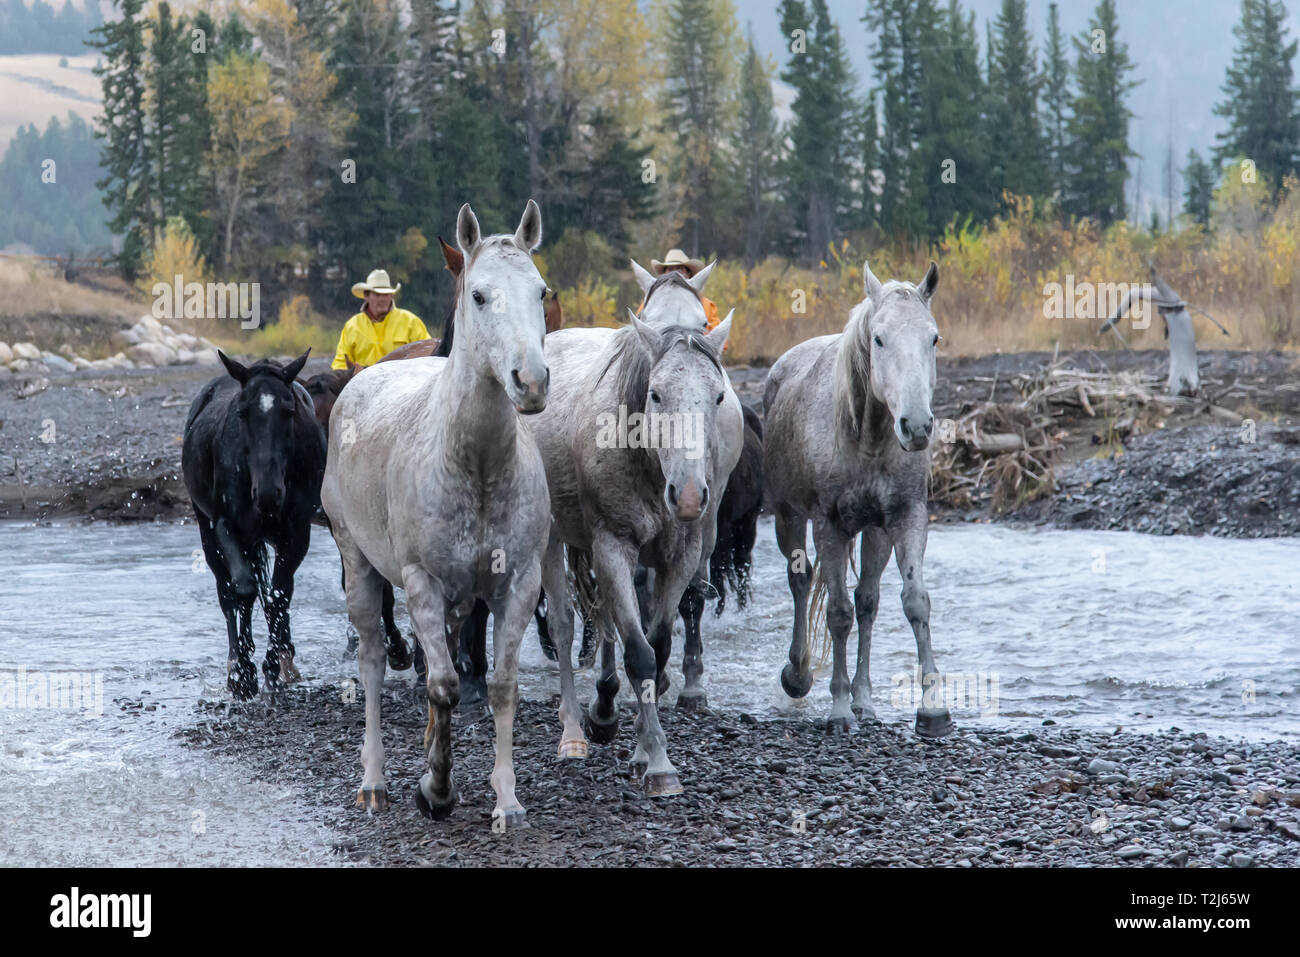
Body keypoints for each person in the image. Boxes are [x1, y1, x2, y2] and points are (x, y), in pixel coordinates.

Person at [331, 268, 431, 369]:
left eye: (386, 294)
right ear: (366, 295)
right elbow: (340, 364)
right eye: (377, 294)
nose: (382, 299)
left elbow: (430, 353)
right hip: (363, 383)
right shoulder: (351, 326)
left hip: (402, 382)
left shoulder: (411, 322)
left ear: (392, 296)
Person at [650, 248, 721, 333]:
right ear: (664, 275)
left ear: (689, 273)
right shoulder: (650, 303)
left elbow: (718, 341)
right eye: (670, 269)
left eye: (679, 269)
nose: (675, 274)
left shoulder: (707, 306)